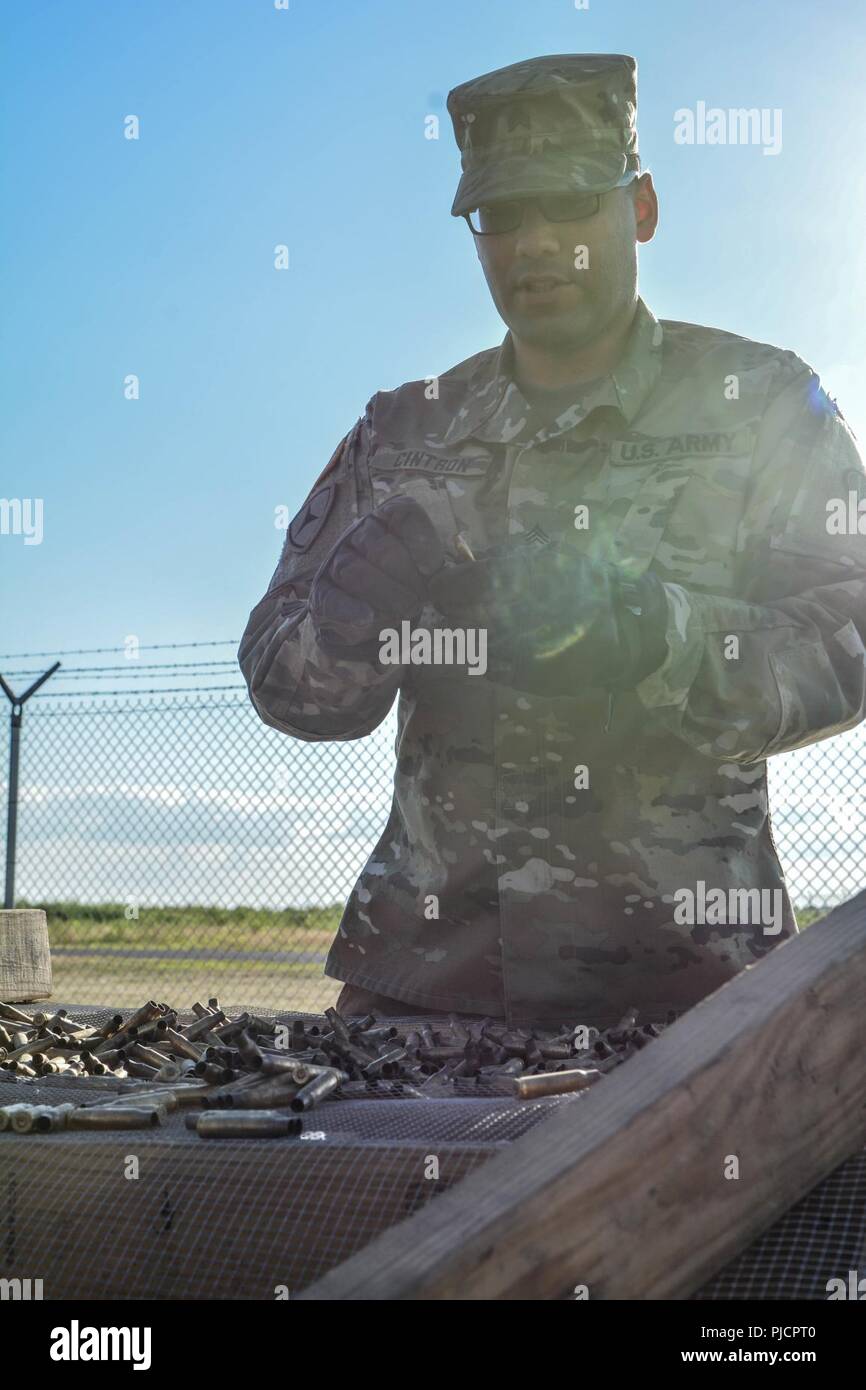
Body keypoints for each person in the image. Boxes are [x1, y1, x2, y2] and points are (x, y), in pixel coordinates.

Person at [239, 54, 866, 1028]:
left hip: (685, 1002)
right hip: (426, 992)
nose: (534, 245)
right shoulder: (406, 432)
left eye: (571, 203)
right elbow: (284, 681)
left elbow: (850, 630)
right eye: (499, 216)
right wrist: (349, 620)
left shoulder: (761, 407)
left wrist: (665, 641)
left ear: (641, 206)